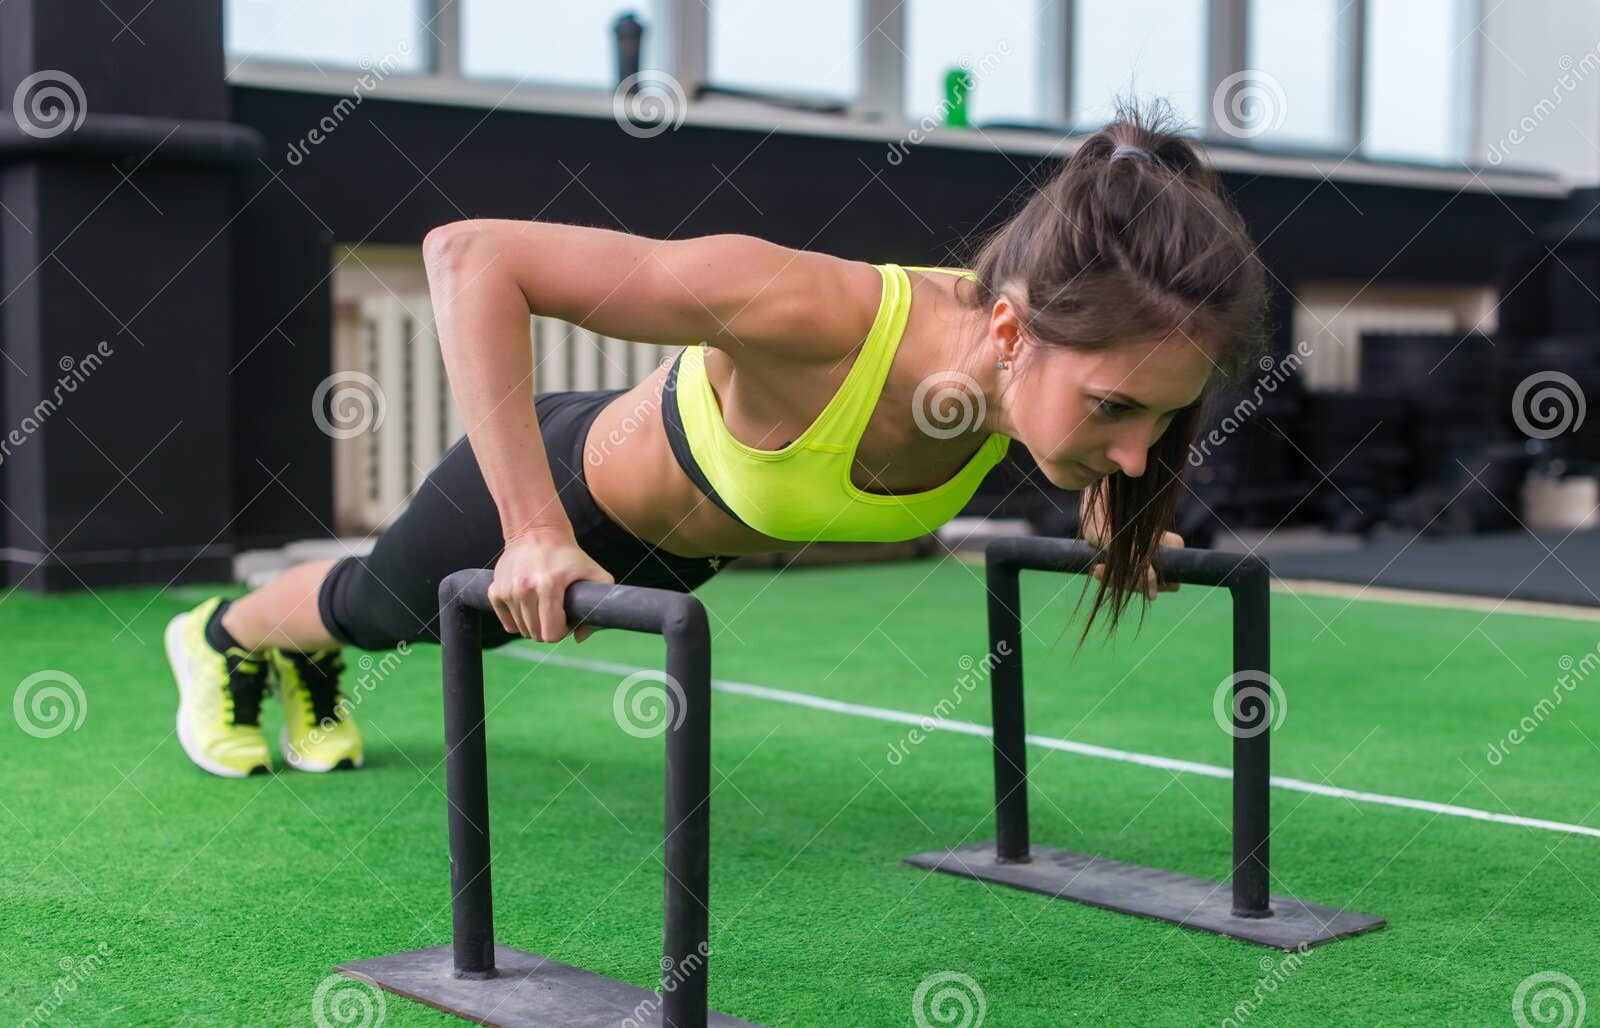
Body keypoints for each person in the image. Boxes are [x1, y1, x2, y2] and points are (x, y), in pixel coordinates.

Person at [164, 99, 1267, 778]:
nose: (1137, 452)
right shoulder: (811, 314)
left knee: (384, 628)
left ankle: (306, 655)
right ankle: (222, 635)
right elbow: (470, 256)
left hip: (672, 558)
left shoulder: (1023, 375)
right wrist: (533, 531)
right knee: (377, 612)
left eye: (1162, 419)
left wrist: (1109, 503)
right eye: (1116, 410)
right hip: (568, 492)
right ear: (1008, 330)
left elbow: (1080, 437)